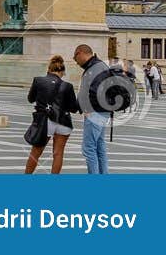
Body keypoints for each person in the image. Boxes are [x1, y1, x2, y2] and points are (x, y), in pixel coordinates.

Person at [25, 54, 80, 174]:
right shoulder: (68, 86)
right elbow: (74, 109)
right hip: (63, 122)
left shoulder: (38, 81)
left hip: (45, 121)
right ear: (63, 72)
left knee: (36, 153)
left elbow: (30, 99)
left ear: (49, 69)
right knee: (58, 153)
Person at [74, 42, 111, 174]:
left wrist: (87, 109)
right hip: (102, 111)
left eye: (75, 58)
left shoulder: (94, 68)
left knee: (89, 148)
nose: (76, 62)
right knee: (99, 147)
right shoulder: (99, 65)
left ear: (81, 53)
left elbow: (95, 91)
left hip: (96, 112)